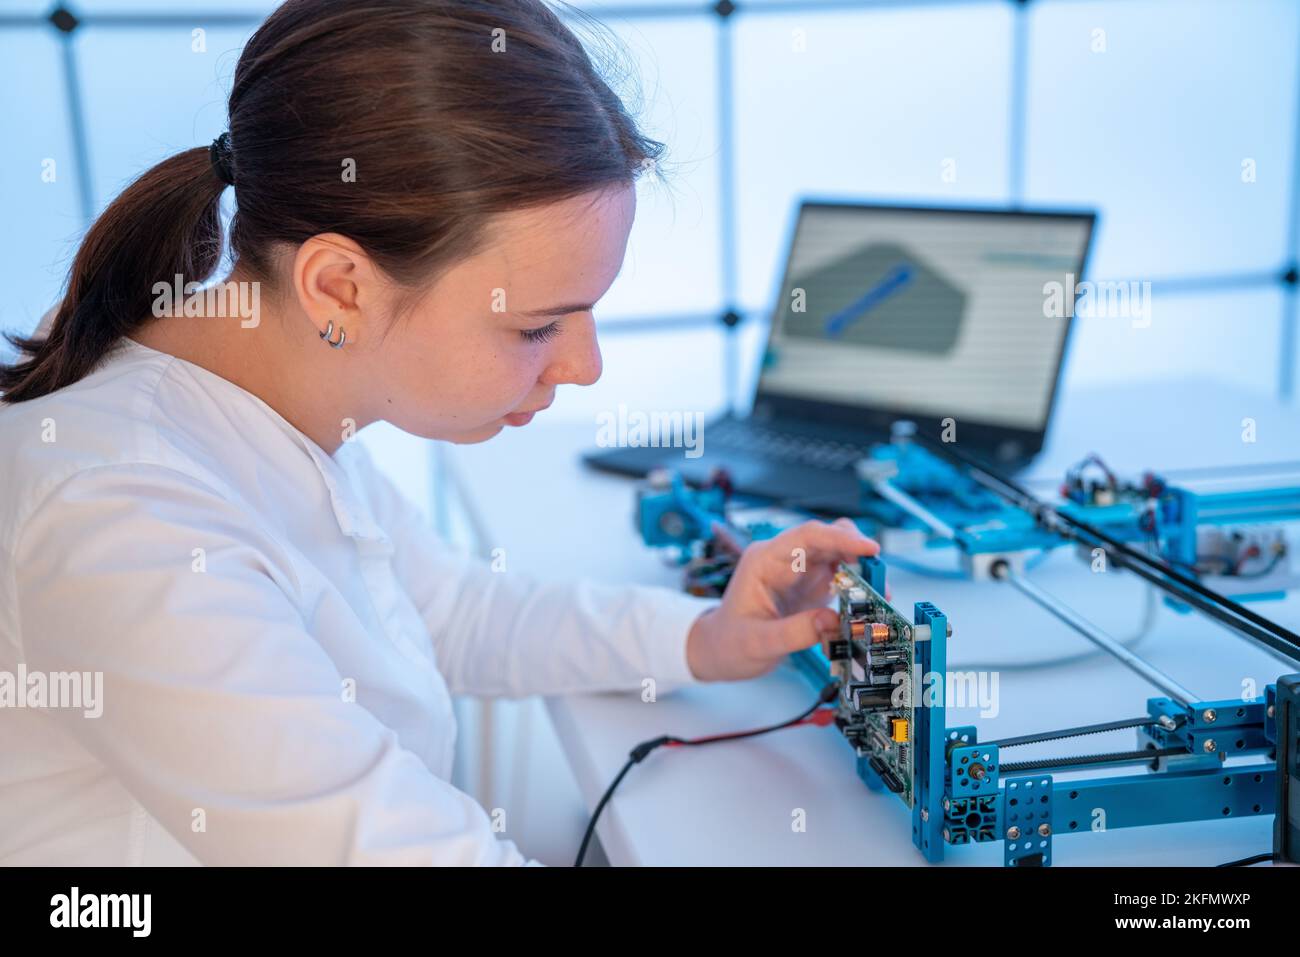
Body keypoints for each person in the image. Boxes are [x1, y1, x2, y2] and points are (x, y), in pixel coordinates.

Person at [0, 0, 877, 865]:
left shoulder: (266, 397)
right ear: (339, 285)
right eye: (537, 327)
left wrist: (704, 637)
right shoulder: (125, 521)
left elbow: (450, 609)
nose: (586, 367)